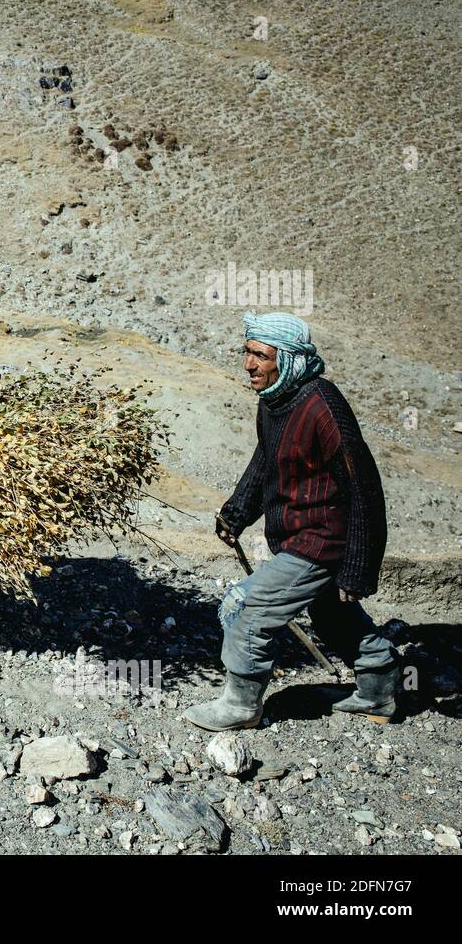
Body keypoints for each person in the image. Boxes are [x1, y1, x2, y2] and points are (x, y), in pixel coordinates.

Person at [184, 312, 399, 731]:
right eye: (247, 352)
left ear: (290, 359)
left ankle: (241, 704)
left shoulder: (323, 407)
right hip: (297, 536)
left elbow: (365, 492)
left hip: (322, 540)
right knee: (332, 615)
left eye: (261, 356)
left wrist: (358, 569)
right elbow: (266, 461)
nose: (249, 364)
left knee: (246, 604)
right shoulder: (276, 402)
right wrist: (236, 512)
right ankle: (379, 686)